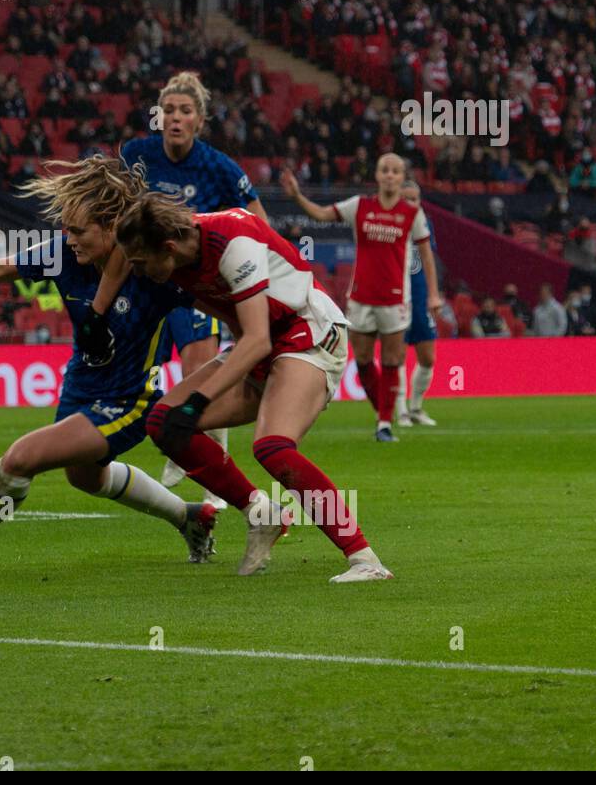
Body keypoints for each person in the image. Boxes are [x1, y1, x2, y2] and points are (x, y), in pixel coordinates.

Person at [0, 157, 219, 575]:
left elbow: (220, 301)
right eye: (65, 229)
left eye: (78, 230)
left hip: (128, 400)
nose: (68, 239)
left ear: (112, 228)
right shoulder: (62, 256)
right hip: (81, 388)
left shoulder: (150, 271)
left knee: (19, 459)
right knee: (84, 477)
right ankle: (190, 518)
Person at [112, 190, 393, 582]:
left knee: (272, 446)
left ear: (169, 247)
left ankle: (365, 560)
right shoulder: (173, 265)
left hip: (307, 332)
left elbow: (257, 338)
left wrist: (199, 400)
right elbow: (240, 325)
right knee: (163, 422)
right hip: (259, 340)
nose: (138, 271)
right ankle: (261, 513)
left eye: (141, 263)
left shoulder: (232, 239)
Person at [114, 70, 268, 494]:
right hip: (147, 281)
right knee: (143, 368)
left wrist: (251, 267)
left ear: (200, 120)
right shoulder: (136, 156)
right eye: (168, 111)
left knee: (200, 370)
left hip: (196, 288)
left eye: (184, 111)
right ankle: (148, 441)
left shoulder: (218, 167)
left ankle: (208, 475)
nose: (175, 118)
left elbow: (258, 220)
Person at [282, 153, 442, 442]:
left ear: (401, 175)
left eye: (395, 171)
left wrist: (432, 292)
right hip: (361, 297)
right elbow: (321, 214)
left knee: (393, 360)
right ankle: (384, 409)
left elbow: (426, 255)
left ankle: (383, 423)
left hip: (395, 298)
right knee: (364, 360)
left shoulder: (412, 214)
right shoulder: (360, 206)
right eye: (385, 170)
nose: (390, 175)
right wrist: (296, 196)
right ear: (378, 176)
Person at [395, 181, 439, 428]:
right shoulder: (388, 222)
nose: (413, 203)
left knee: (428, 357)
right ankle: (400, 411)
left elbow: (429, 258)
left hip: (421, 296)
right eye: (407, 198)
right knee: (398, 355)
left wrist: (433, 294)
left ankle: (416, 407)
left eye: (416, 198)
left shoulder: (424, 222)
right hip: (398, 296)